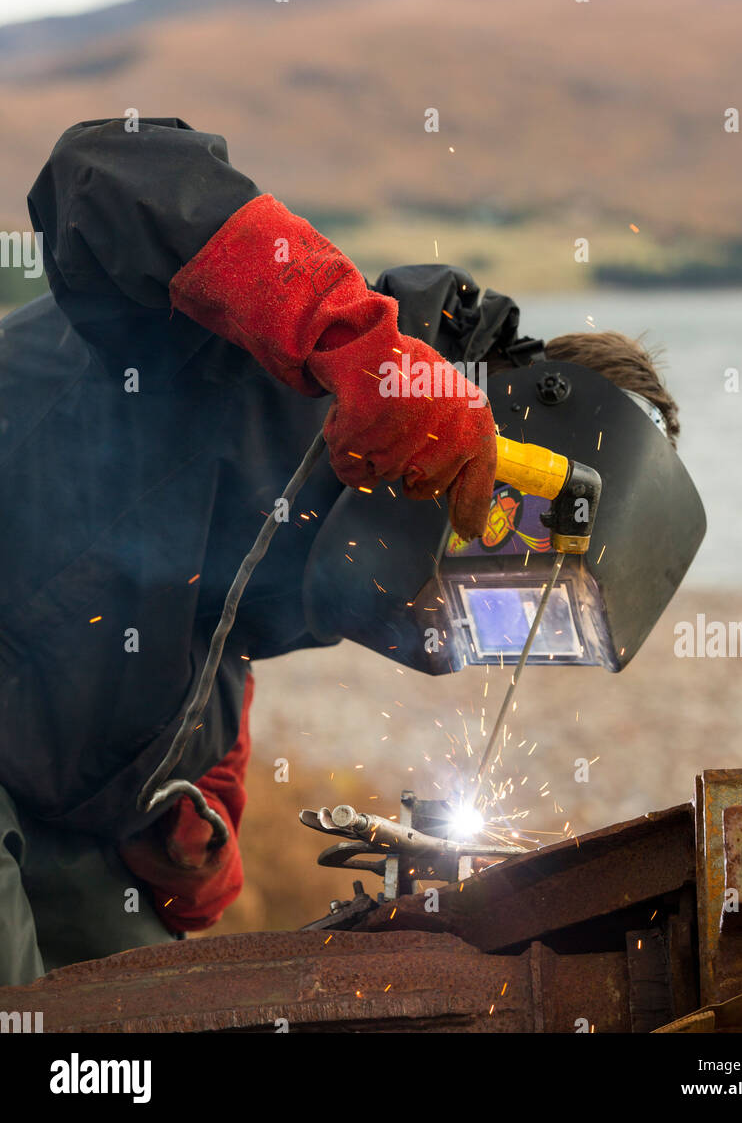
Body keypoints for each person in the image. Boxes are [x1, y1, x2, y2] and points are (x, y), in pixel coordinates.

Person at [0, 118, 679, 984]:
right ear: (503, 443)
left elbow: (200, 611)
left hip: (50, 805)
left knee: (156, 997)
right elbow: (100, 166)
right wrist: (356, 344)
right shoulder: (235, 348)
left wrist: (197, 776)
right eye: (510, 581)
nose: (475, 617)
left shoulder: (333, 532)